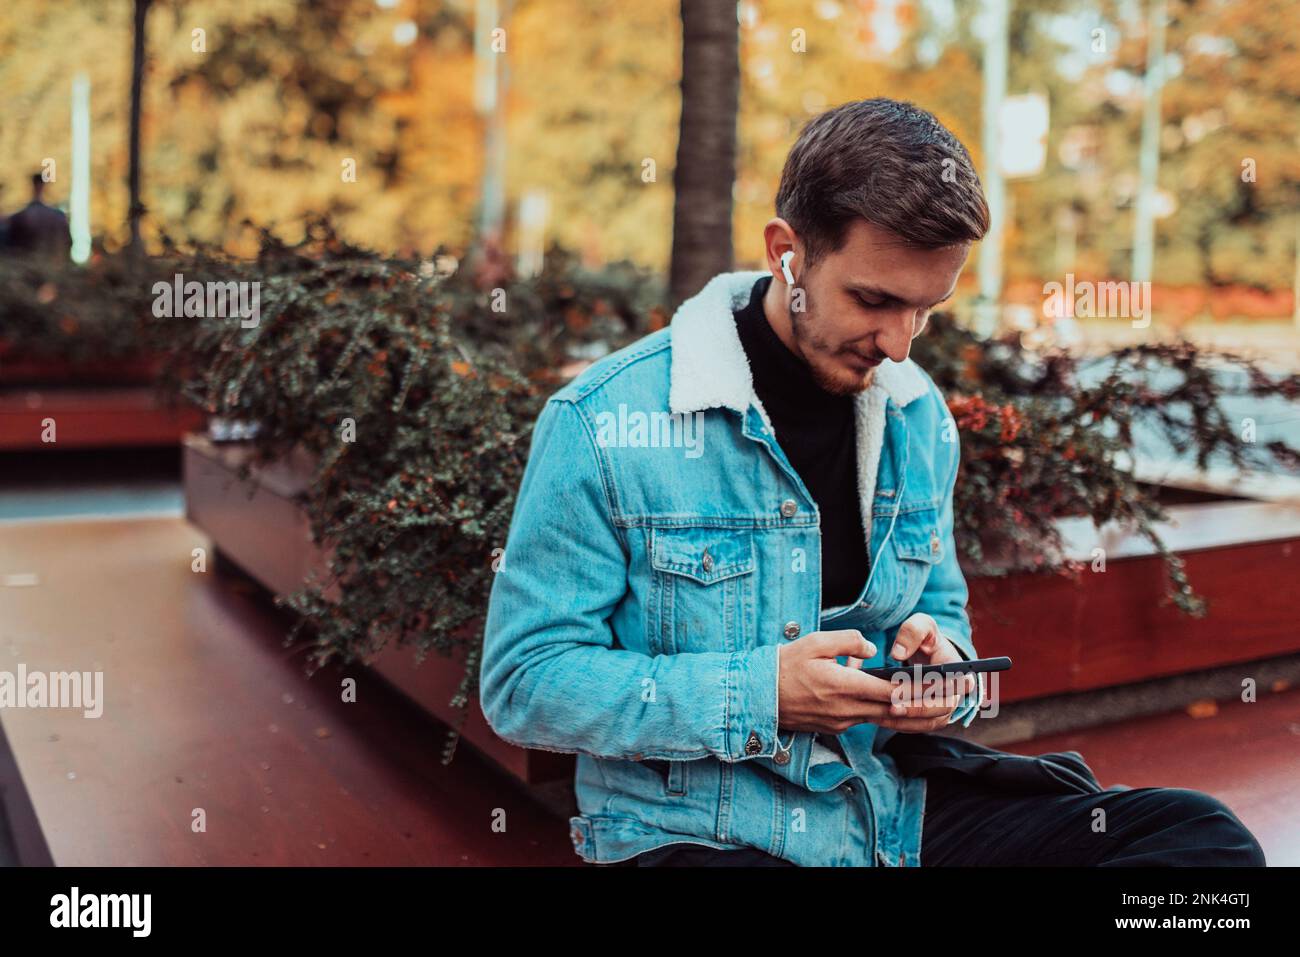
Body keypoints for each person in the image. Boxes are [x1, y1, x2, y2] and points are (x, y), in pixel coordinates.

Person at [480, 98, 1266, 867]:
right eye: (875, 299)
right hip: (705, 831)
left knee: (1204, 840)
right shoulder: (603, 419)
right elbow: (524, 681)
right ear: (788, 250)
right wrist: (761, 693)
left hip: (885, 812)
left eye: (926, 310)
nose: (898, 344)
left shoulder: (917, 417)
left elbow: (940, 610)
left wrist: (941, 663)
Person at [6, 172, 71, 260]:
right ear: (44, 187)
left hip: (26, 264)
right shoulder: (57, 216)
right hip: (49, 264)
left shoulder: (19, 216)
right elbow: (67, 243)